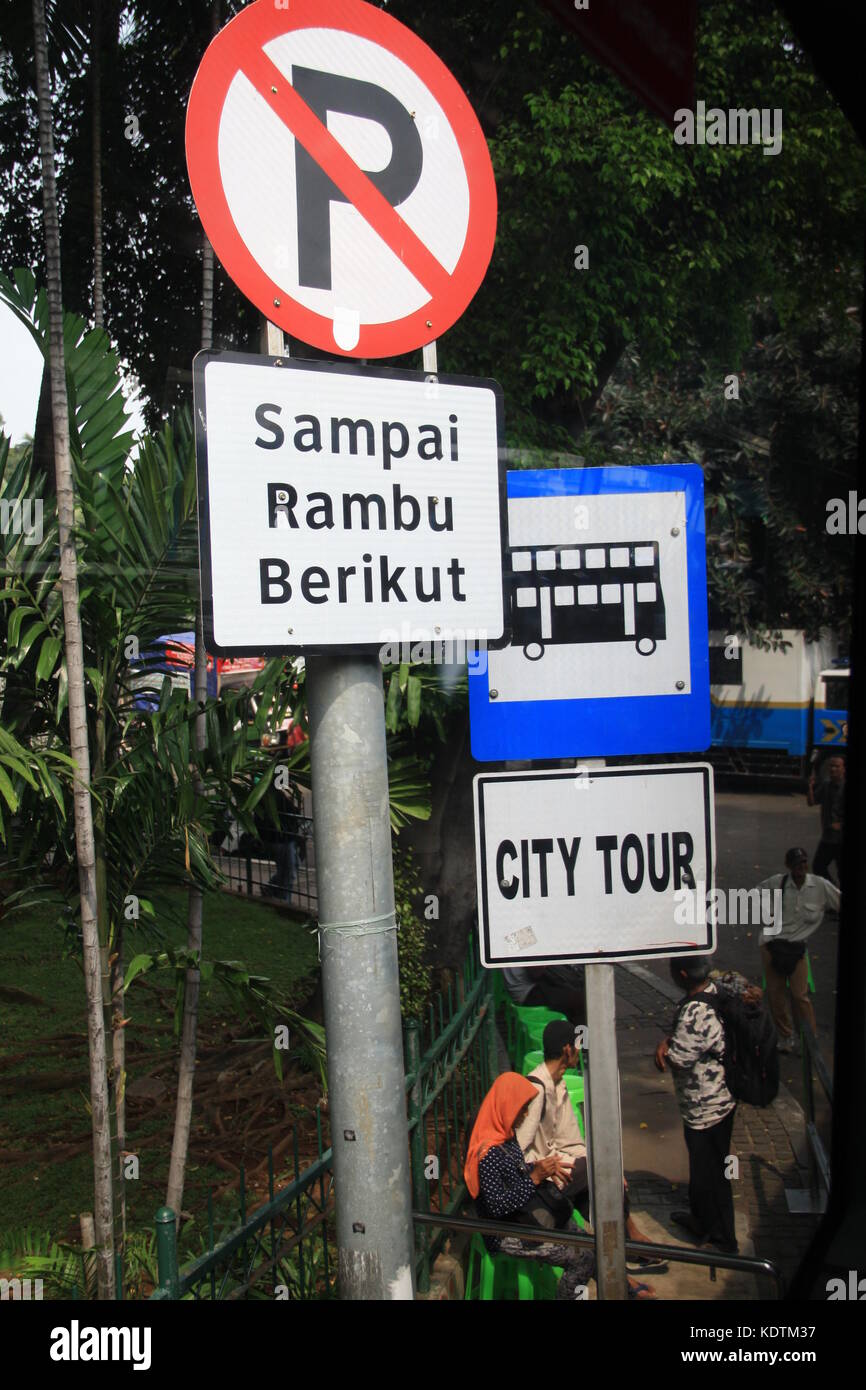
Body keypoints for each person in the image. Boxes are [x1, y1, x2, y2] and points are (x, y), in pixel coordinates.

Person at [464, 1072, 655, 1299]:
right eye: (522, 1108)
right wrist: (534, 1178)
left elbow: (515, 1173)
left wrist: (540, 1167)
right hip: (508, 1234)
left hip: (528, 1217)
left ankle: (624, 1287)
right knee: (582, 1259)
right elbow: (497, 1207)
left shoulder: (506, 1135)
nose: (526, 1114)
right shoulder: (487, 1154)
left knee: (588, 1240)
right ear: (506, 1106)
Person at [516, 1019, 667, 1274]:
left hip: (561, 1167)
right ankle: (627, 1242)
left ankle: (621, 1246)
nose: (579, 1049)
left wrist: (609, 1171)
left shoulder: (559, 1085)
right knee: (595, 1174)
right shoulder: (537, 1089)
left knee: (603, 1175)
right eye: (576, 1046)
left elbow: (572, 1141)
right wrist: (542, 1169)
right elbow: (518, 1149)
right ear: (567, 1050)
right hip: (540, 1179)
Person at [654, 956, 739, 1255]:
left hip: (707, 1106)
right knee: (703, 1168)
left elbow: (678, 1058)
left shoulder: (696, 1010)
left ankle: (723, 1240)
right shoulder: (714, 991)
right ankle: (700, 1219)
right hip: (715, 1101)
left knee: (712, 1174)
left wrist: (663, 1049)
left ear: (680, 975)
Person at [756, 847, 840, 1053]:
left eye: (803, 863)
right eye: (796, 864)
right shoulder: (778, 882)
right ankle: (786, 1037)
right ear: (789, 866)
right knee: (776, 995)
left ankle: (809, 1041)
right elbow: (756, 892)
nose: (800, 867)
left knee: (799, 996)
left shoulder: (819, 886)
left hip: (796, 948)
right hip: (772, 945)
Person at [502, 965, 587, 1026]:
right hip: (528, 993)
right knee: (580, 1000)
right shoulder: (523, 941)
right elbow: (536, 973)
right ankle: (581, 1045)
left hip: (519, 989)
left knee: (573, 991)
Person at [807, 754, 845, 888]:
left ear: (843, 769)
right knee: (818, 867)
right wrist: (810, 787)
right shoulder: (826, 785)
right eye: (831, 766)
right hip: (828, 837)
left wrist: (840, 824)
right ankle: (834, 893)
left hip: (841, 839)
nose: (833, 769)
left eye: (837, 766)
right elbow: (811, 802)